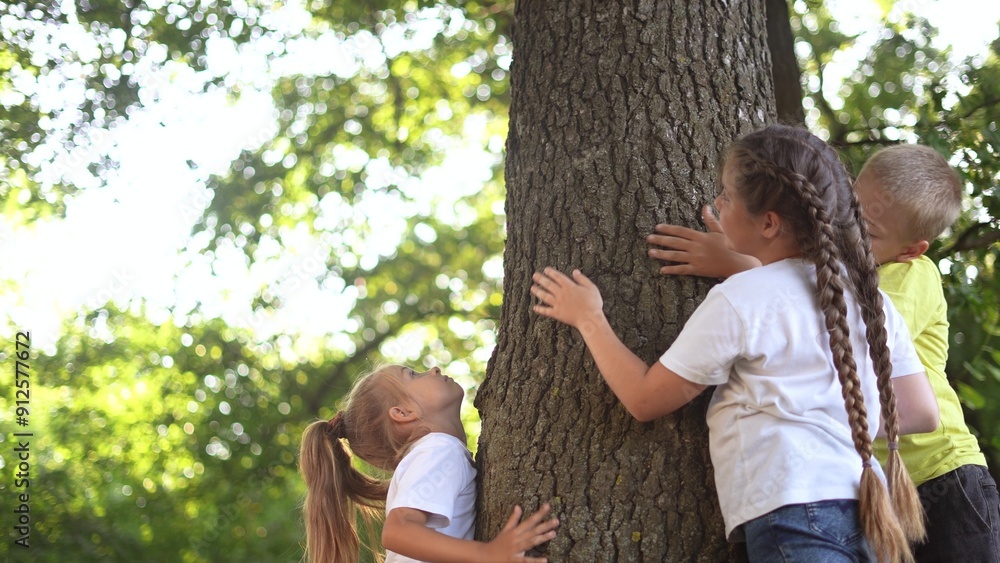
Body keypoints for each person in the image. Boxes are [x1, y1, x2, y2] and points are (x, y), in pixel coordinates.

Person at [531, 124, 939, 562]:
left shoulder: (742, 298)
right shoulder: (867, 297)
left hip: (795, 509)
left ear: (768, 223)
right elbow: (919, 410)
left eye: (726, 196)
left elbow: (644, 399)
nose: (718, 204)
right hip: (869, 508)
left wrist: (589, 318)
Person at [647, 143, 1000, 562]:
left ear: (910, 250)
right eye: (847, 210)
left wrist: (744, 263)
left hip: (943, 476)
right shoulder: (837, 269)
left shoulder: (906, 276)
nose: (843, 230)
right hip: (872, 485)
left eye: (868, 233)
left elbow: (846, 321)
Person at [299, 364, 559, 563]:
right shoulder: (438, 450)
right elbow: (397, 532)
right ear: (403, 413)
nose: (433, 369)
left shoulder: (432, 454)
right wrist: (490, 553)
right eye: (413, 374)